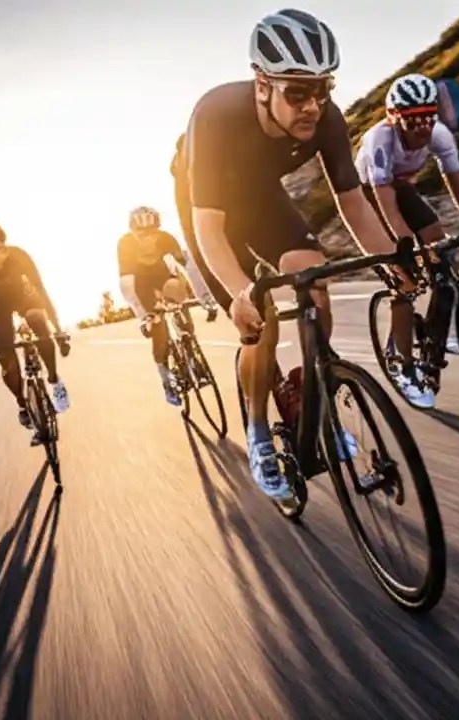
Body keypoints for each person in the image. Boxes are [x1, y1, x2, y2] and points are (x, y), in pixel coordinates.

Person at [173, 8, 415, 503]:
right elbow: (207, 228)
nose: (313, 105)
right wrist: (240, 291)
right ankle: (260, 431)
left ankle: (312, 397)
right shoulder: (217, 115)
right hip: (208, 209)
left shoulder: (327, 121)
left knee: (315, 283)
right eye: (297, 92)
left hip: (262, 198)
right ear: (262, 85)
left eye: (324, 89)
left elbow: (353, 205)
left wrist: (394, 262)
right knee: (259, 320)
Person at [354, 72, 459, 388]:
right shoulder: (378, 142)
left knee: (440, 247)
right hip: (368, 195)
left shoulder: (440, 136)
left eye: (428, 116)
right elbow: (388, 209)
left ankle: (437, 329)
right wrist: (404, 248)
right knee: (405, 277)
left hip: (400, 190)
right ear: (394, 119)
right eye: (413, 120)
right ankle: (402, 357)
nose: (423, 126)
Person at [0, 220, 71, 435]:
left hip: (22, 297)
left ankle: (54, 379)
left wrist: (57, 329)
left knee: (37, 318)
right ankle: (22, 403)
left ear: (5, 246)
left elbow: (41, 289)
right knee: (7, 360)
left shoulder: (18, 255)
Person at [117, 206, 204, 407]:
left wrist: (204, 297)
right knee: (159, 327)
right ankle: (166, 378)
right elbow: (127, 285)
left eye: (152, 232)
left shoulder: (165, 238)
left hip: (162, 275)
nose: (148, 238)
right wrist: (143, 316)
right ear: (133, 232)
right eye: (142, 234)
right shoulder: (125, 245)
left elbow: (187, 266)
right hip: (140, 283)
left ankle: (191, 352)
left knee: (178, 299)